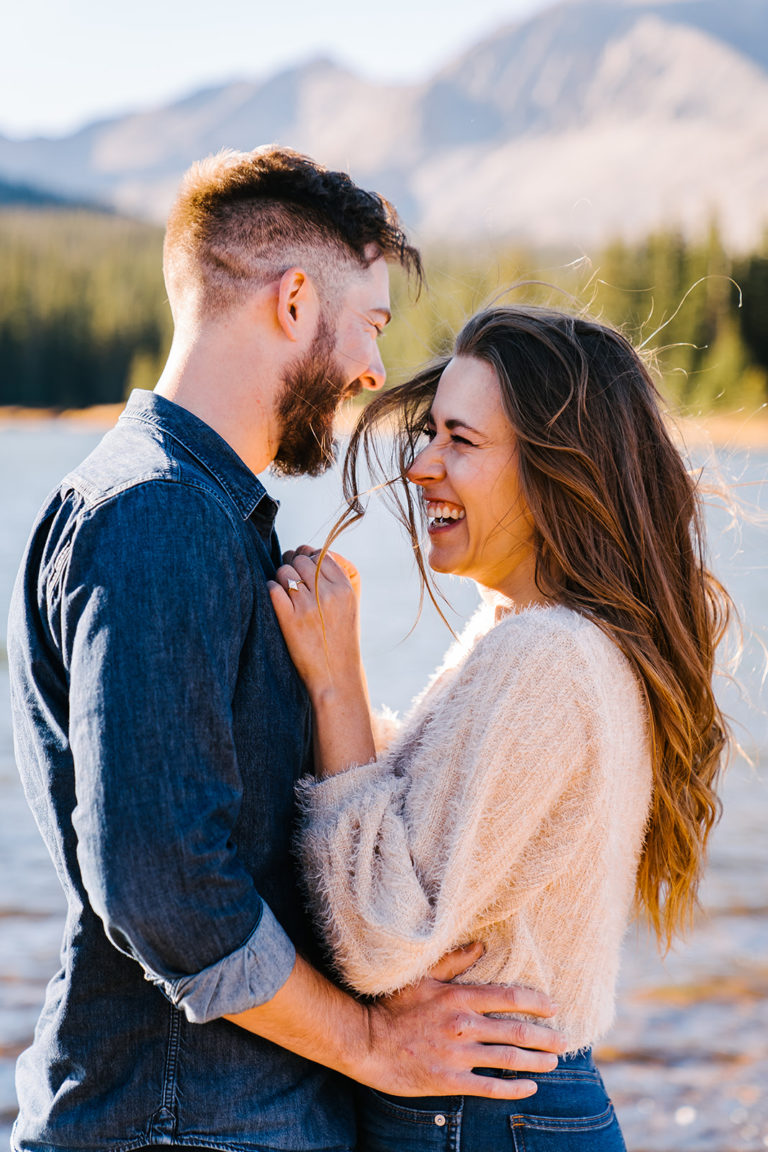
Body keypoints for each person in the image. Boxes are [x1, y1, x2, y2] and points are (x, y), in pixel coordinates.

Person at [7, 151, 566, 1152]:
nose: (371, 371)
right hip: (183, 1125)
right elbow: (164, 883)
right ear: (296, 301)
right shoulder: (159, 516)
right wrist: (373, 1044)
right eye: (373, 325)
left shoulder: (198, 513)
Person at [269, 305, 732, 1150]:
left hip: (484, 1116)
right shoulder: (533, 633)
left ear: (556, 469)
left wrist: (337, 683)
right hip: (503, 1111)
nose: (421, 467)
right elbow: (418, 856)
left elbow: (380, 939)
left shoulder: (546, 656)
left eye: (461, 441)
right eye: (429, 434)